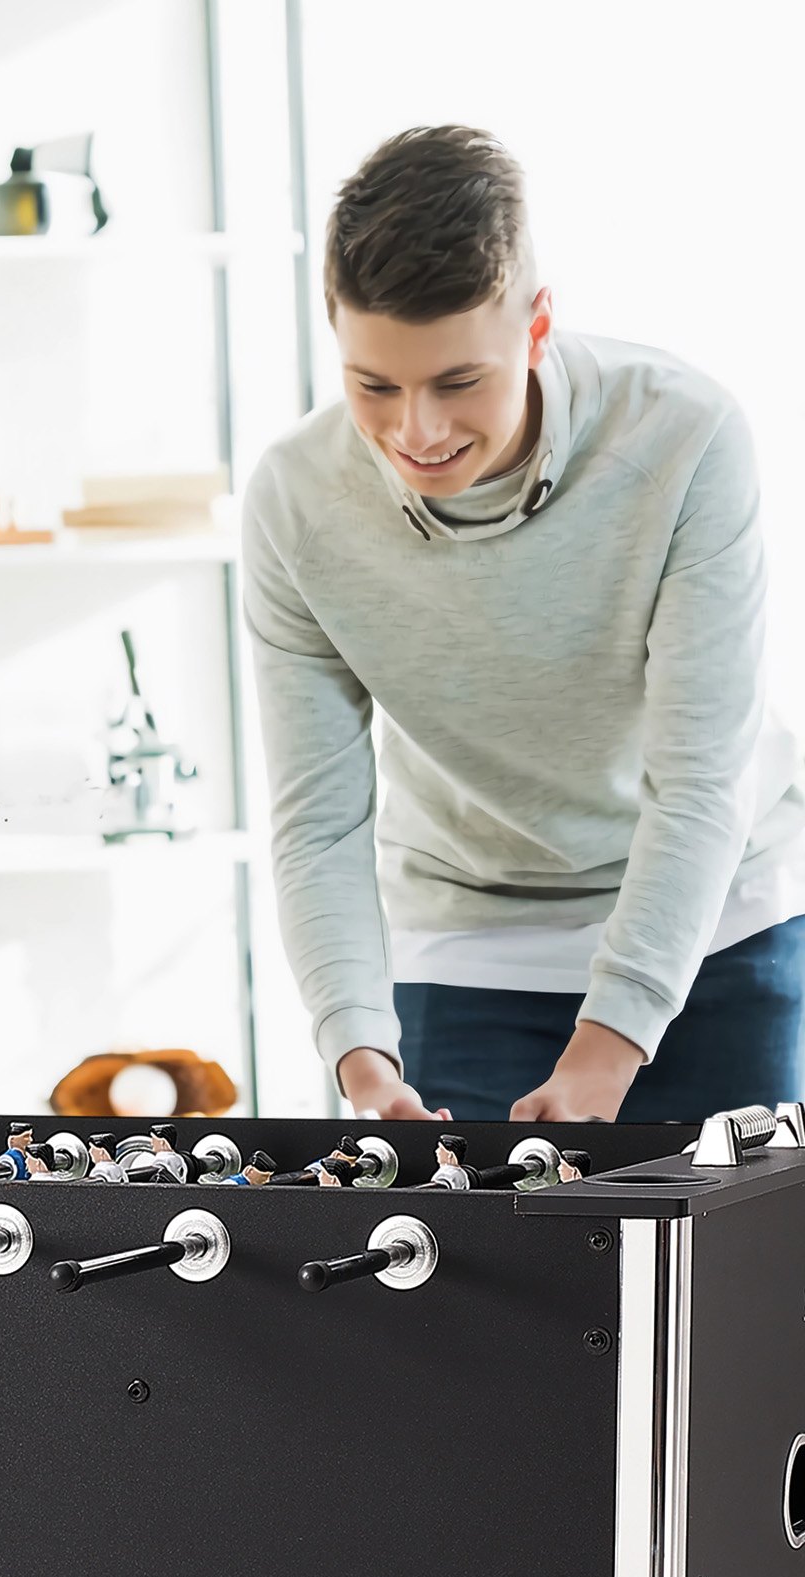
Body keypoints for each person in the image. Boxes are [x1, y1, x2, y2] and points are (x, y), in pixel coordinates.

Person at [243, 125, 805, 1127]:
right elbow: (318, 819)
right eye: (374, 386)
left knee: (737, 1236)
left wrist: (611, 1041)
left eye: (458, 382)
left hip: (718, 923)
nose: (416, 431)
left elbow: (700, 782)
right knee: (467, 1237)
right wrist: (358, 1052)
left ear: (537, 325)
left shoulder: (684, 437)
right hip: (467, 939)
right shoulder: (296, 501)